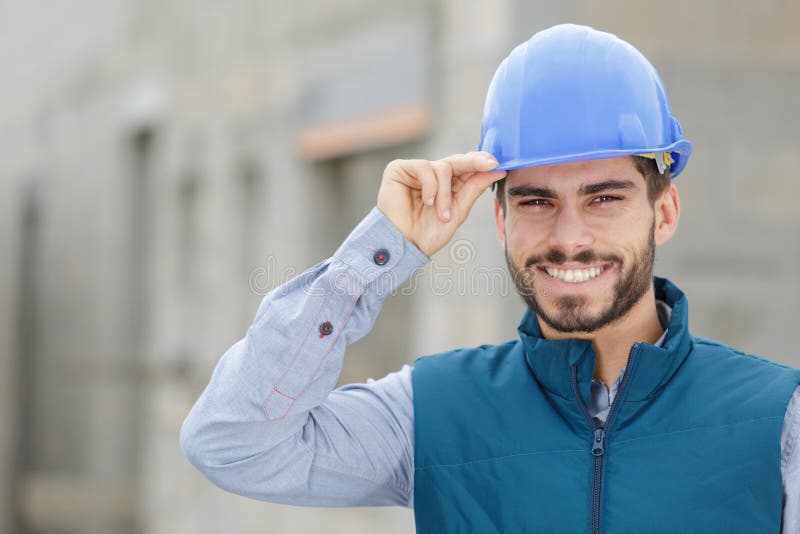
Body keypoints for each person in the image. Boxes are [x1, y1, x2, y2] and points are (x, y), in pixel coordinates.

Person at [180, 24, 800, 533]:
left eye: (604, 198)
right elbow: (232, 442)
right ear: (499, 219)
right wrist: (380, 251)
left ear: (663, 213)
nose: (569, 237)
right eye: (536, 202)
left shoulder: (777, 418)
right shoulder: (434, 411)